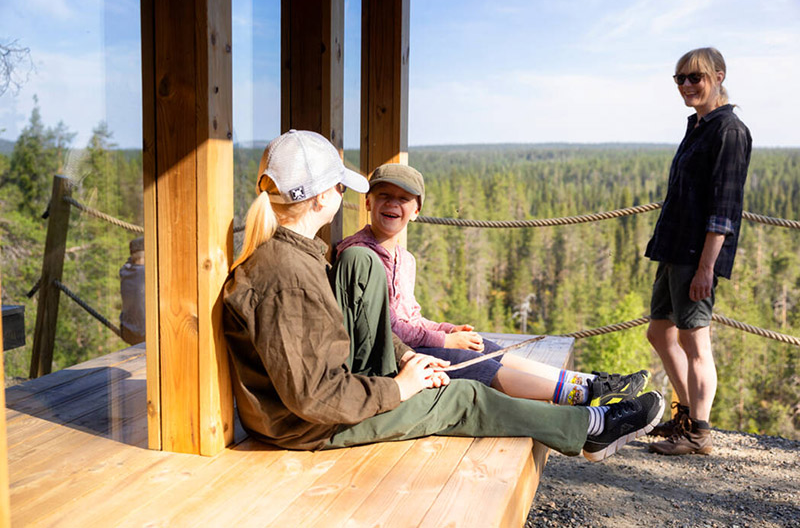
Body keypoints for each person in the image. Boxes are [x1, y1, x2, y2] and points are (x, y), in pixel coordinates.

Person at [222, 129, 665, 462]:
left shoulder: (298, 257)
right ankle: (588, 427)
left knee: (457, 373)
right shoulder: (286, 277)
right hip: (306, 425)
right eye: (339, 186)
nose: (342, 194)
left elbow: (364, 328)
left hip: (323, 405)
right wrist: (399, 389)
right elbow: (313, 397)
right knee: (463, 397)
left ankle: (587, 405)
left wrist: (407, 360)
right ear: (319, 198)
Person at [335, 163, 650, 407]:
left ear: (416, 211)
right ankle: (583, 395)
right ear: (368, 202)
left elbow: (411, 318)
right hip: (390, 358)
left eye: (403, 199)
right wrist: (445, 343)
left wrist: (448, 330)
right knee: (471, 362)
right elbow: (385, 329)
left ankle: (587, 381)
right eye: (384, 196)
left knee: (483, 347)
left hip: (410, 345)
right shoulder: (360, 256)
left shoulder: (405, 258)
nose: (393, 204)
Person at [645, 47, 751, 455]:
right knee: (660, 332)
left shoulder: (729, 131)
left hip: (696, 254)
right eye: (680, 79)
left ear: (719, 77)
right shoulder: (699, 125)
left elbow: (724, 209)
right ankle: (686, 415)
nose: (687, 85)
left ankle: (699, 432)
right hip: (675, 248)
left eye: (696, 77)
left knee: (695, 342)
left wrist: (707, 267)